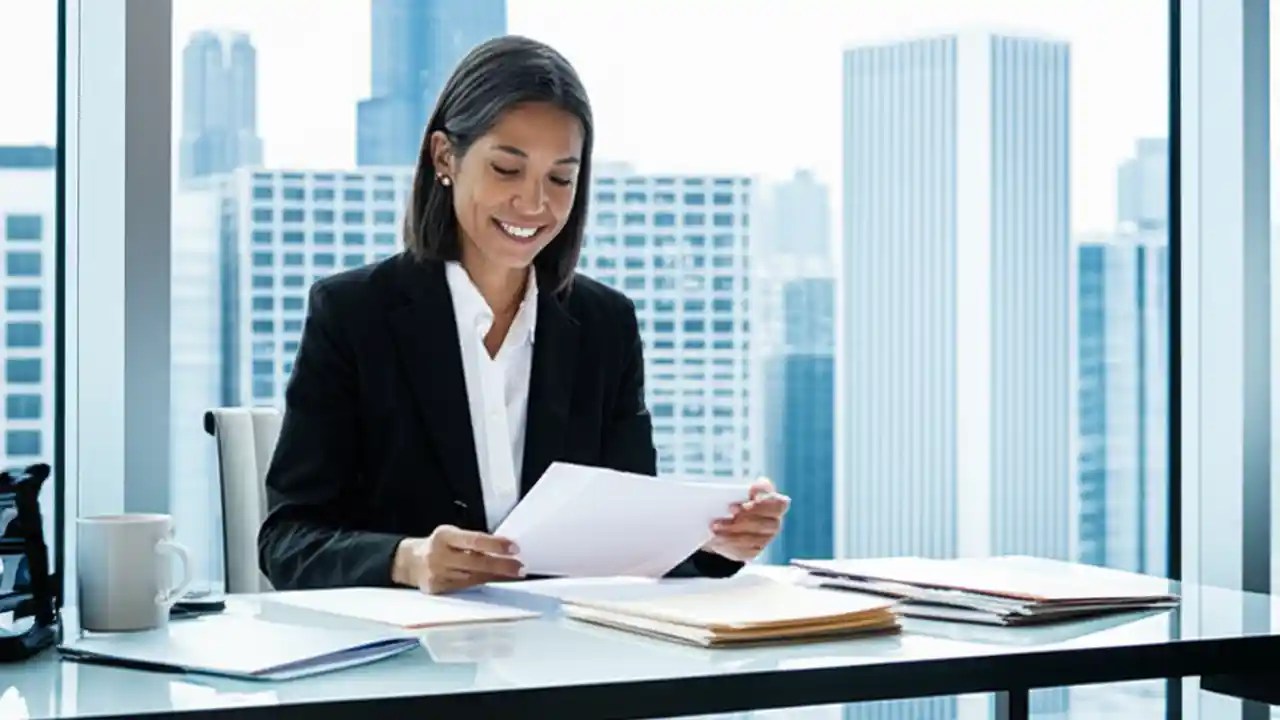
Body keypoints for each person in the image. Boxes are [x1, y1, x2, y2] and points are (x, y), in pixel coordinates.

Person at [257, 35, 790, 595]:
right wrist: (406, 560)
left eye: (560, 178)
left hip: (561, 659)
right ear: (445, 157)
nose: (535, 204)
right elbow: (289, 540)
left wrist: (711, 545)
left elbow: (629, 548)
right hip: (405, 663)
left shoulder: (604, 326)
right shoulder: (354, 314)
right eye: (507, 169)